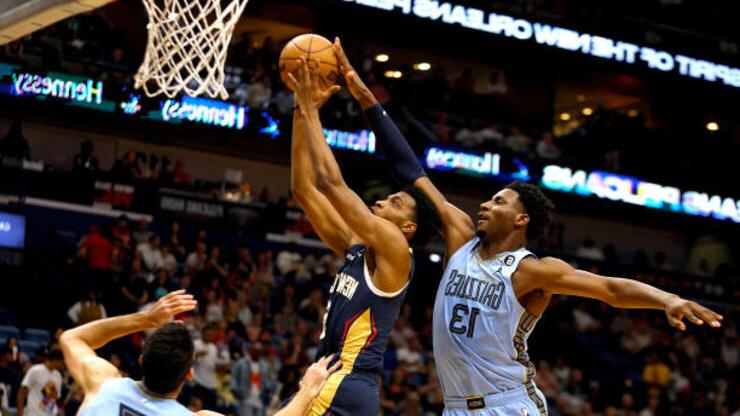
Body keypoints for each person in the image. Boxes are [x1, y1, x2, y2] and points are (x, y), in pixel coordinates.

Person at [333, 37, 723, 415]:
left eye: (499, 202)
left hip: (510, 405)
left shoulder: (531, 271)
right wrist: (369, 101)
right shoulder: (460, 236)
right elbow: (409, 169)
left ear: (522, 220)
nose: (485, 203)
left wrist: (666, 299)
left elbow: (609, 289)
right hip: (454, 407)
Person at [286, 58, 440, 416]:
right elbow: (304, 190)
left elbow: (330, 182)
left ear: (408, 229)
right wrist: (299, 108)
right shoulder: (359, 249)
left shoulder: (397, 251)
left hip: (345, 384)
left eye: (395, 202)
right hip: (330, 381)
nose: (381, 201)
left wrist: (311, 109)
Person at [59, 290, 342, 415]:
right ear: (190, 374)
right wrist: (308, 389)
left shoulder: (103, 383)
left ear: (143, 361)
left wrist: (145, 319)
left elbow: (73, 337)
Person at [17, 347, 65, 416]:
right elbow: (21, 394)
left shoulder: (58, 375)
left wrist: (48, 392)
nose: (63, 365)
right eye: (61, 362)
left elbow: (54, 399)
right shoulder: (35, 370)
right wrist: (20, 414)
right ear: (55, 360)